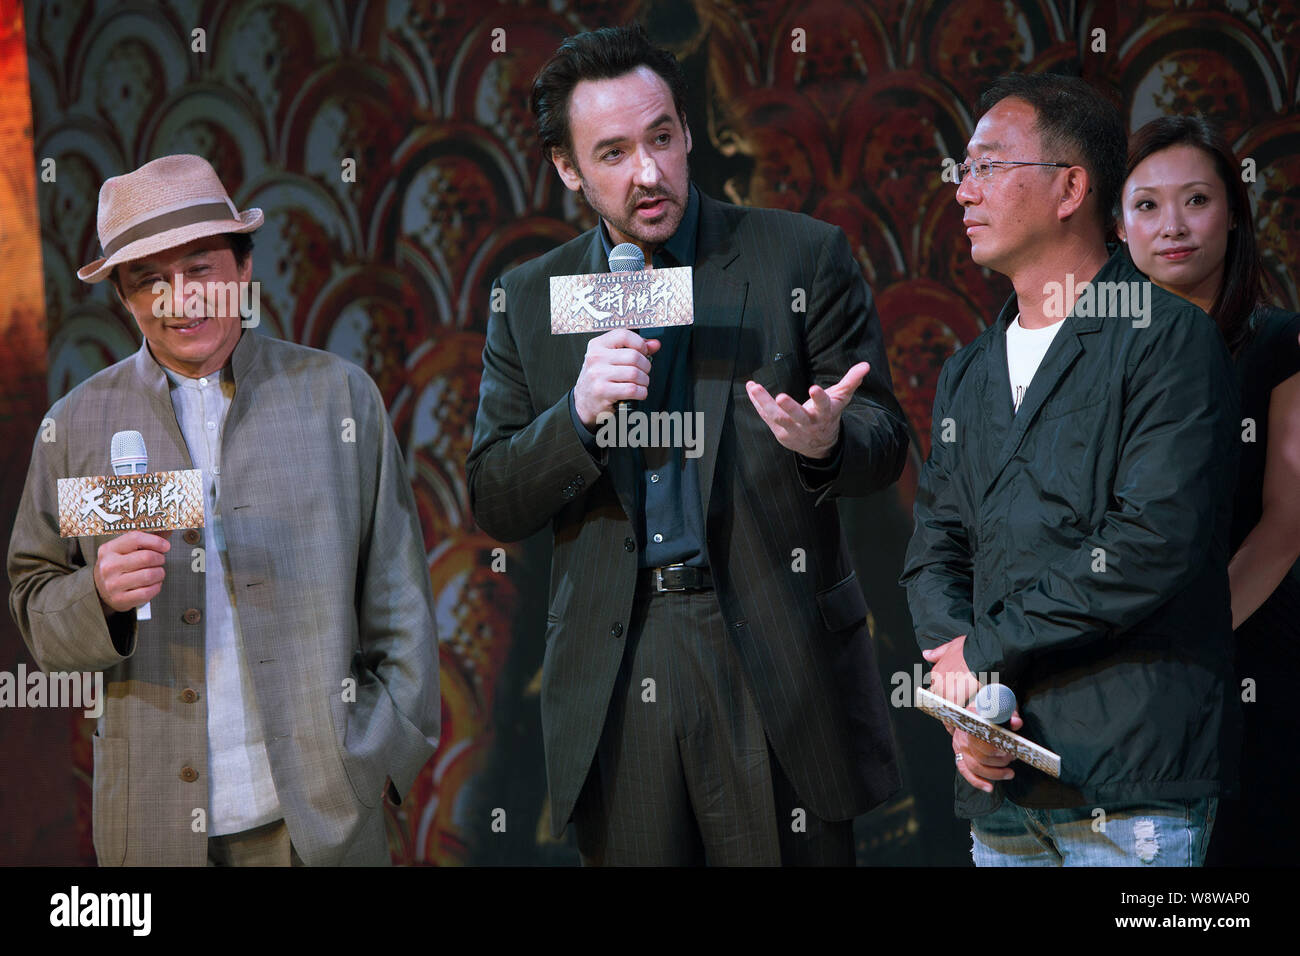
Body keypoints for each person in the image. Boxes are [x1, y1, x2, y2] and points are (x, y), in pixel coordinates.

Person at [466, 24, 909, 865]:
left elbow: (883, 436)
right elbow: (493, 495)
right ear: (568, 169)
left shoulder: (795, 256)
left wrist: (825, 442)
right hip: (620, 654)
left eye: (663, 138)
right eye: (615, 152)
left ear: (687, 131)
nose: (649, 172)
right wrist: (577, 415)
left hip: (770, 644)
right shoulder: (531, 298)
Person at [7, 154, 440, 866]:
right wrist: (99, 597)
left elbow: (400, 600)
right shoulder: (74, 428)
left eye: (201, 269)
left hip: (321, 820)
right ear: (124, 297)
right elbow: (34, 603)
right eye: (150, 279)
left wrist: (377, 760)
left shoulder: (339, 398)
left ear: (244, 272)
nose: (182, 300)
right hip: (152, 827)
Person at [900, 74, 1241, 866]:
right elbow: (936, 549)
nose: (963, 192)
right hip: (1001, 780)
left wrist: (984, 646)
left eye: (986, 167)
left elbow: (1153, 540)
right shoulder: (968, 371)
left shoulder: (1167, 340)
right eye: (963, 171)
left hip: (1127, 782)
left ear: (1070, 188)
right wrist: (965, 701)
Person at [1118, 116, 1300, 865]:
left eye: (1196, 200)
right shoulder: (1101, 361)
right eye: (1147, 206)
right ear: (1118, 226)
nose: (1173, 227)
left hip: (1253, 649)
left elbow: (1288, 523)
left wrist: (1184, 641)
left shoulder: (1279, 342)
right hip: (1126, 680)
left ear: (1234, 211)